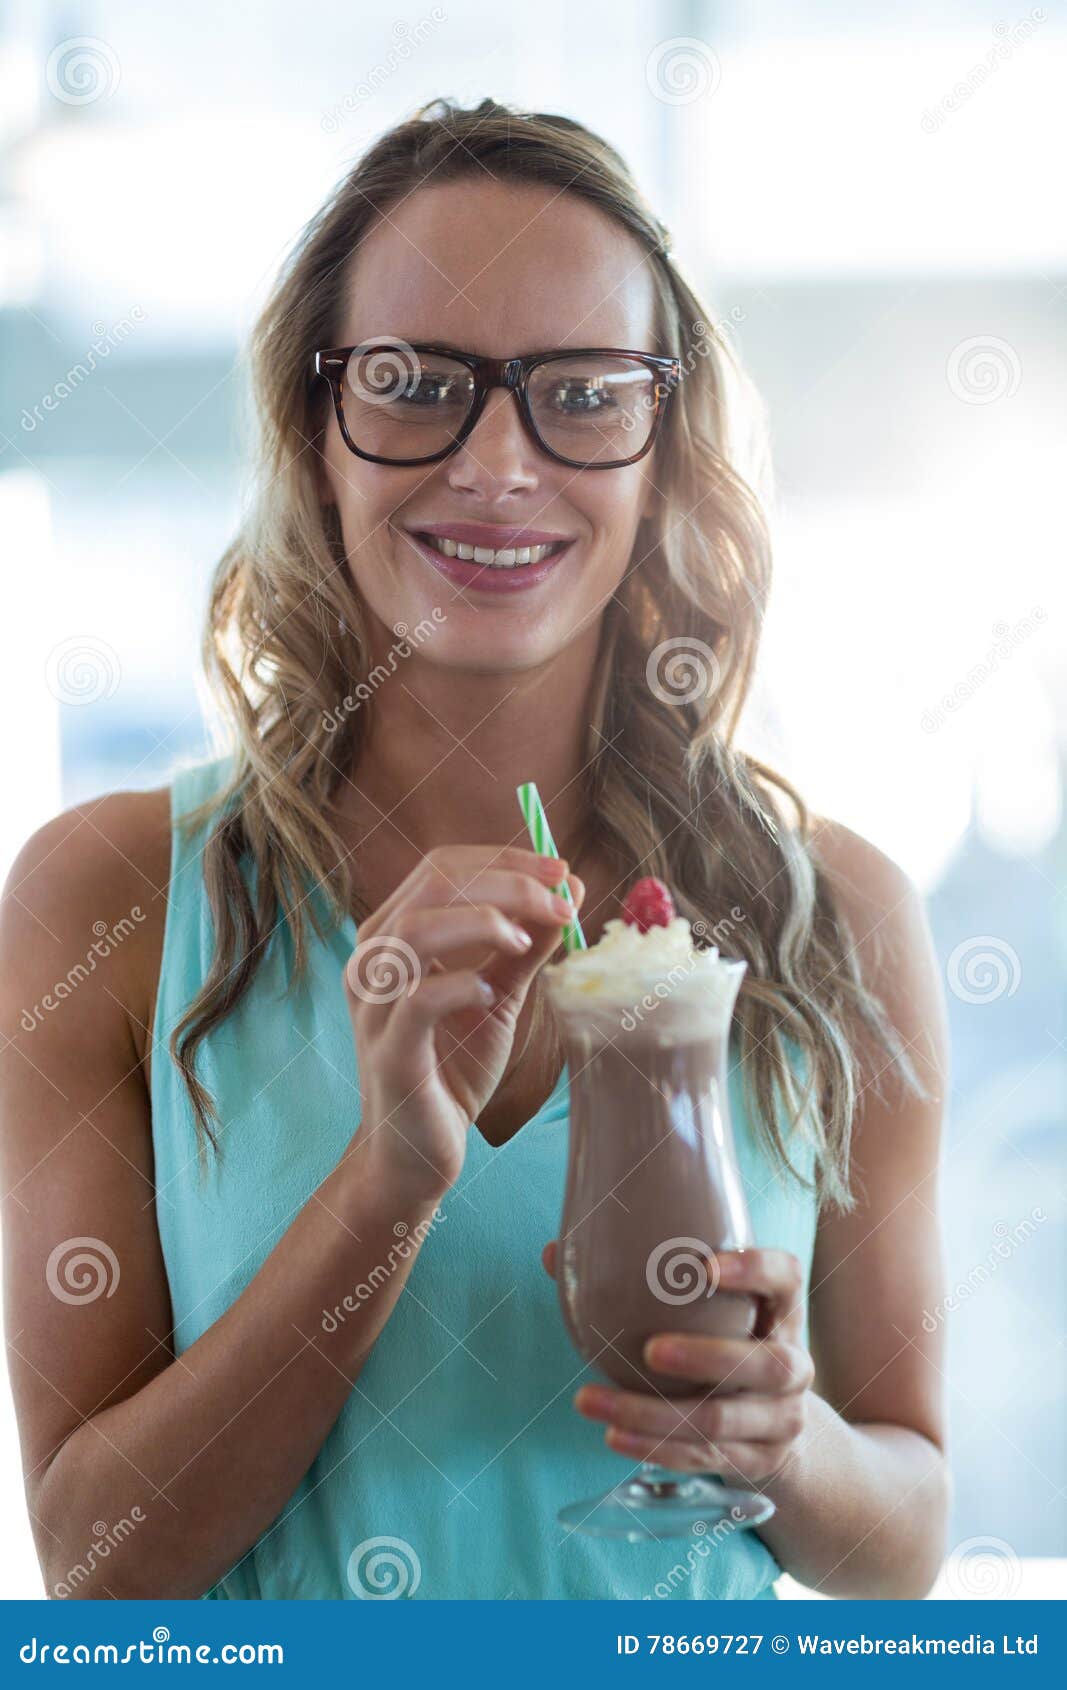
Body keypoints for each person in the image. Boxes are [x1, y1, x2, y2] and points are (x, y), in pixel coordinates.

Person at [0, 98, 949, 1601]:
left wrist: (790, 1445)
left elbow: (904, 1531)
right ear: (318, 435)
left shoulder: (833, 911)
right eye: (416, 384)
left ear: (662, 443)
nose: (498, 463)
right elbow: (96, 1562)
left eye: (581, 394)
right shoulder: (109, 899)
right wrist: (387, 1177)